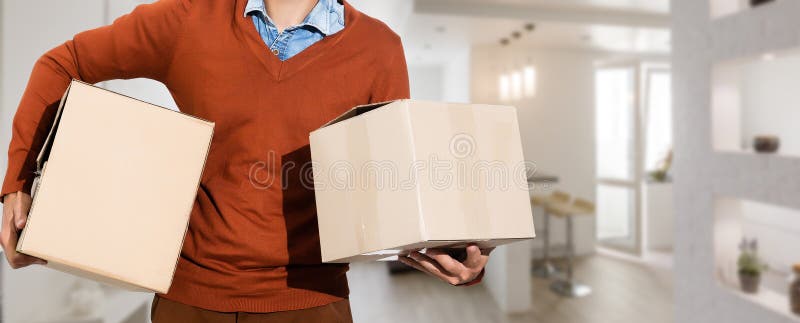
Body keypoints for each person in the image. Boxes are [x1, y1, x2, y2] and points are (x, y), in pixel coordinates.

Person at [0, 0, 492, 321]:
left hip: (312, 305)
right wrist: (18, 183)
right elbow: (62, 63)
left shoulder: (379, 49)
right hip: (189, 301)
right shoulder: (189, 19)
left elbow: (389, 194)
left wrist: (450, 249)